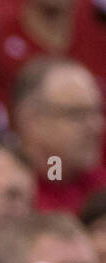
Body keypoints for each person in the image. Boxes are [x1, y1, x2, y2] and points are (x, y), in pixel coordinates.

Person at [11, 56, 106, 214]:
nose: (97, 126)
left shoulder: (99, 184)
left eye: (97, 112)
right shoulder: (10, 195)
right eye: (77, 114)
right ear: (31, 119)